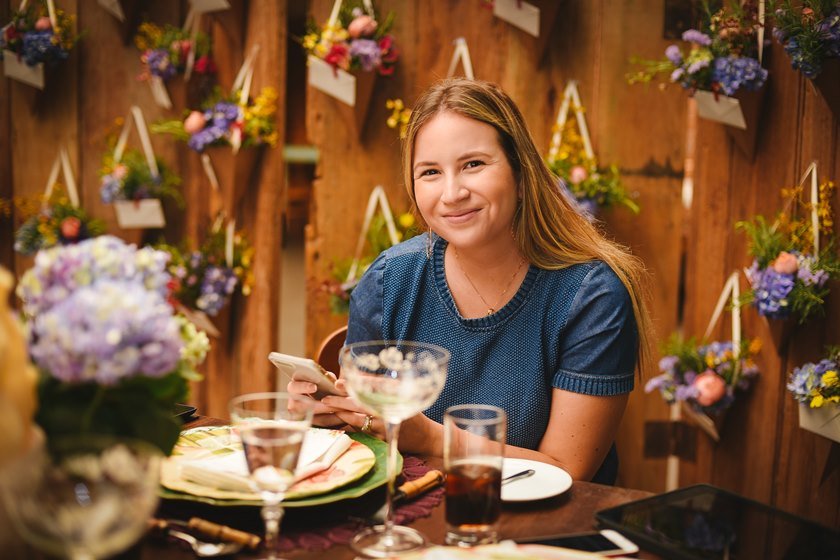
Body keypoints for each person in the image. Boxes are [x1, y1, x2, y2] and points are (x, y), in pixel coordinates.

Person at [289, 78, 654, 484]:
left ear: (520, 171)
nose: (451, 193)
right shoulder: (388, 281)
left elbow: (570, 469)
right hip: (415, 519)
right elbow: (363, 442)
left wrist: (431, 437)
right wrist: (329, 416)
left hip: (545, 534)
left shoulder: (591, 295)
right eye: (430, 172)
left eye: (473, 164)